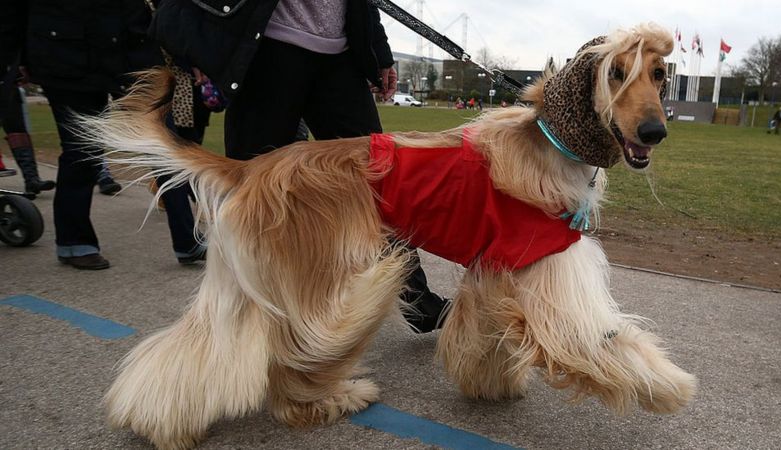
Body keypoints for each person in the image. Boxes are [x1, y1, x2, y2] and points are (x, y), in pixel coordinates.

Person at [150, 0, 449, 332]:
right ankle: (246, 320)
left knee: (380, 184)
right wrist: (197, 41)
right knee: (253, 195)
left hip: (341, 53)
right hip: (266, 48)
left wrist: (379, 51)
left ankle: (415, 299)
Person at [4, 0, 205, 269]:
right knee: (81, 150)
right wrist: (14, 60)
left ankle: (188, 241)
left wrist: (188, 54)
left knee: (166, 148)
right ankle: (74, 241)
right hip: (65, 55)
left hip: (133, 49)